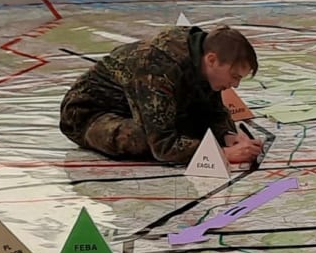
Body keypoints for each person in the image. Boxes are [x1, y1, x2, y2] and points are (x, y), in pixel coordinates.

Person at [60, 25, 262, 167]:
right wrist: (222, 155)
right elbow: (163, 145)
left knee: (192, 130)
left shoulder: (202, 56)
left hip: (135, 108)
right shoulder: (158, 66)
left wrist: (228, 136)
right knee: (141, 139)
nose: (235, 84)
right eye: (234, 76)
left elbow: (213, 111)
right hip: (89, 115)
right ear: (211, 59)